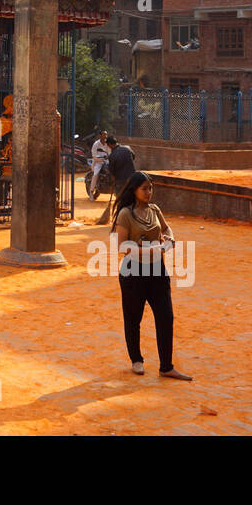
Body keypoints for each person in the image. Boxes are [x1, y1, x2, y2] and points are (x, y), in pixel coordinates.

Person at [111, 172, 191, 381]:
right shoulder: (125, 214)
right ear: (134, 190)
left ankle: (166, 366)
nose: (148, 192)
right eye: (144, 188)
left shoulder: (155, 210)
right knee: (133, 318)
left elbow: (166, 228)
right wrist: (149, 250)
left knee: (166, 316)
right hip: (133, 272)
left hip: (157, 271)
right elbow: (121, 246)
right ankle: (136, 360)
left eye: (150, 188)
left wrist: (170, 239)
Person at [98, 137, 136, 225]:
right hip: (132, 178)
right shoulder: (127, 149)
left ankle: (122, 220)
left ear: (110, 145)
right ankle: (133, 218)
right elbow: (133, 157)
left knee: (121, 200)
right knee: (132, 198)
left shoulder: (112, 156)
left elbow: (112, 172)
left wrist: (113, 180)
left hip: (120, 180)